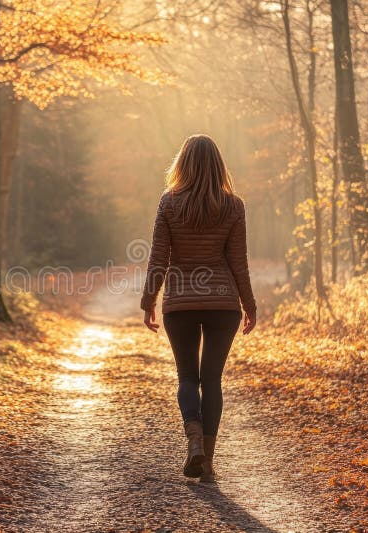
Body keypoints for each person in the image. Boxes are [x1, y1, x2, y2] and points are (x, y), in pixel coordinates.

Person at [140, 134, 256, 482]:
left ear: (182, 163)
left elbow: (159, 258)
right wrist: (249, 305)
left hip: (180, 305)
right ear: (218, 165)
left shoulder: (169, 203)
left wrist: (148, 301)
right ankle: (208, 458)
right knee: (213, 380)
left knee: (188, 377)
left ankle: (194, 444)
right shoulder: (233, 206)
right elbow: (239, 262)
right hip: (224, 304)